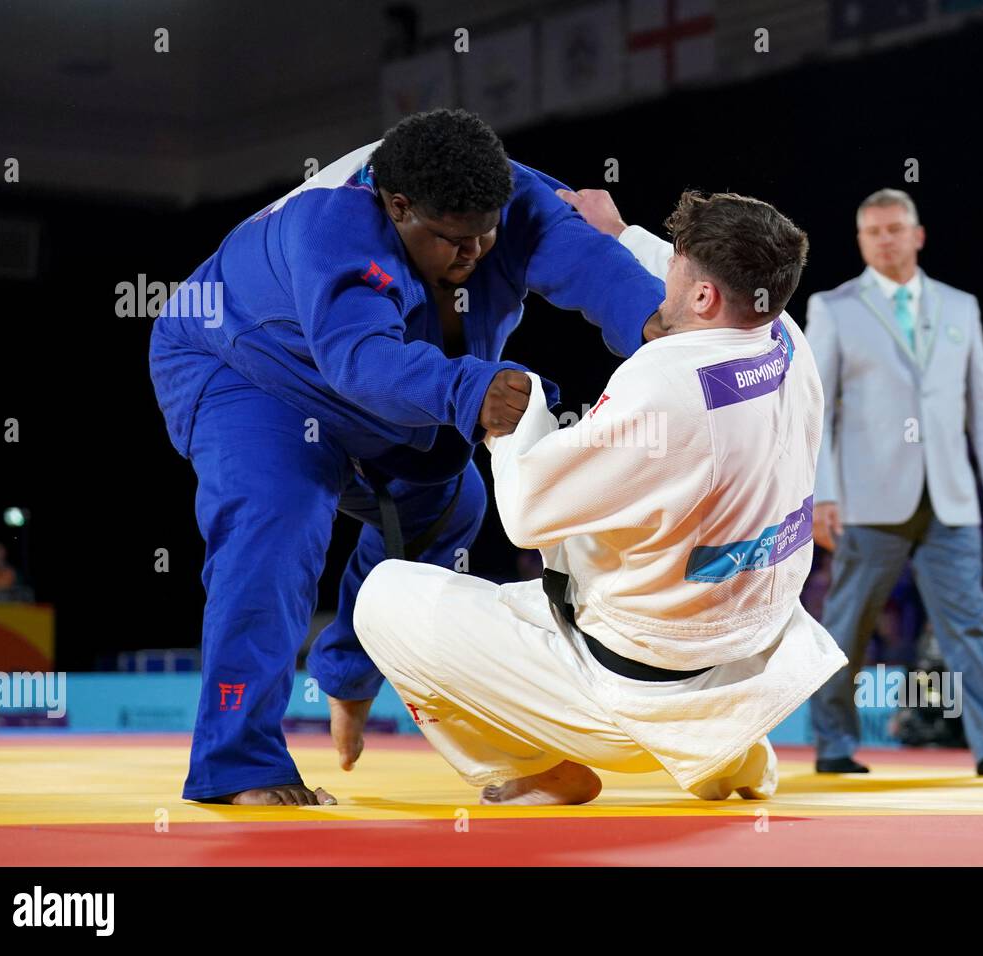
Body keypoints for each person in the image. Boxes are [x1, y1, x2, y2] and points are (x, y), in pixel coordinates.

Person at [148, 110, 667, 805]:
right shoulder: (332, 228)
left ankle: (349, 671)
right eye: (455, 239)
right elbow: (361, 360)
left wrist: (664, 333)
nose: (477, 251)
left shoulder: (513, 197)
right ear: (398, 208)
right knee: (281, 512)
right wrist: (473, 386)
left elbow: (594, 265)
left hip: (357, 371)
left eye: (489, 231)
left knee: (453, 504)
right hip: (240, 360)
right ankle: (238, 764)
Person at [352, 188, 848, 803]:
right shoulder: (785, 338)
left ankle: (535, 769)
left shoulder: (666, 381)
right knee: (630, 565)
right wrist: (619, 236)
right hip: (748, 657)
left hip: (633, 692)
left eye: (676, 263)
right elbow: (703, 280)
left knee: (385, 597)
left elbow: (527, 514)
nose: (666, 268)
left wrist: (513, 413)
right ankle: (728, 755)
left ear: (703, 295)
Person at [804, 188, 983, 776]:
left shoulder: (960, 307)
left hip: (951, 496)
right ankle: (833, 744)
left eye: (895, 228)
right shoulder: (833, 307)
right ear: (860, 241)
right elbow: (815, 410)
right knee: (848, 625)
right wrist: (821, 493)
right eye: (873, 231)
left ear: (918, 235)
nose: (885, 239)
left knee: (970, 625)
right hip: (865, 496)